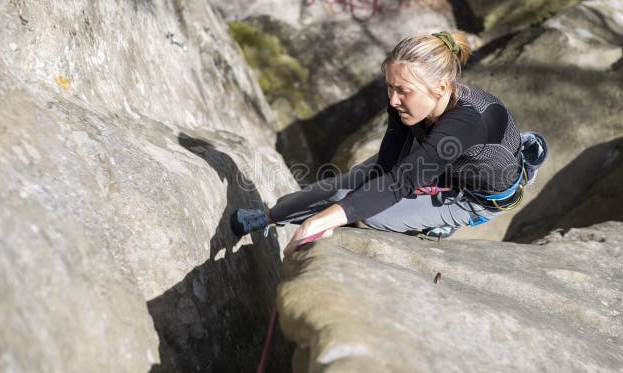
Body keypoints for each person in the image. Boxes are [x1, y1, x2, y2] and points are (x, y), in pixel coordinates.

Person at [231, 30, 547, 256]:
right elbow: (387, 165)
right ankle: (269, 216)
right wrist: (333, 206)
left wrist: (325, 219)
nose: (392, 100)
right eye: (389, 87)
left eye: (402, 90)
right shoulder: (409, 104)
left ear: (440, 88)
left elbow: (399, 182)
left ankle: (445, 223)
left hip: (470, 194)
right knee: (347, 185)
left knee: (373, 214)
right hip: (434, 158)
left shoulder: (463, 126)